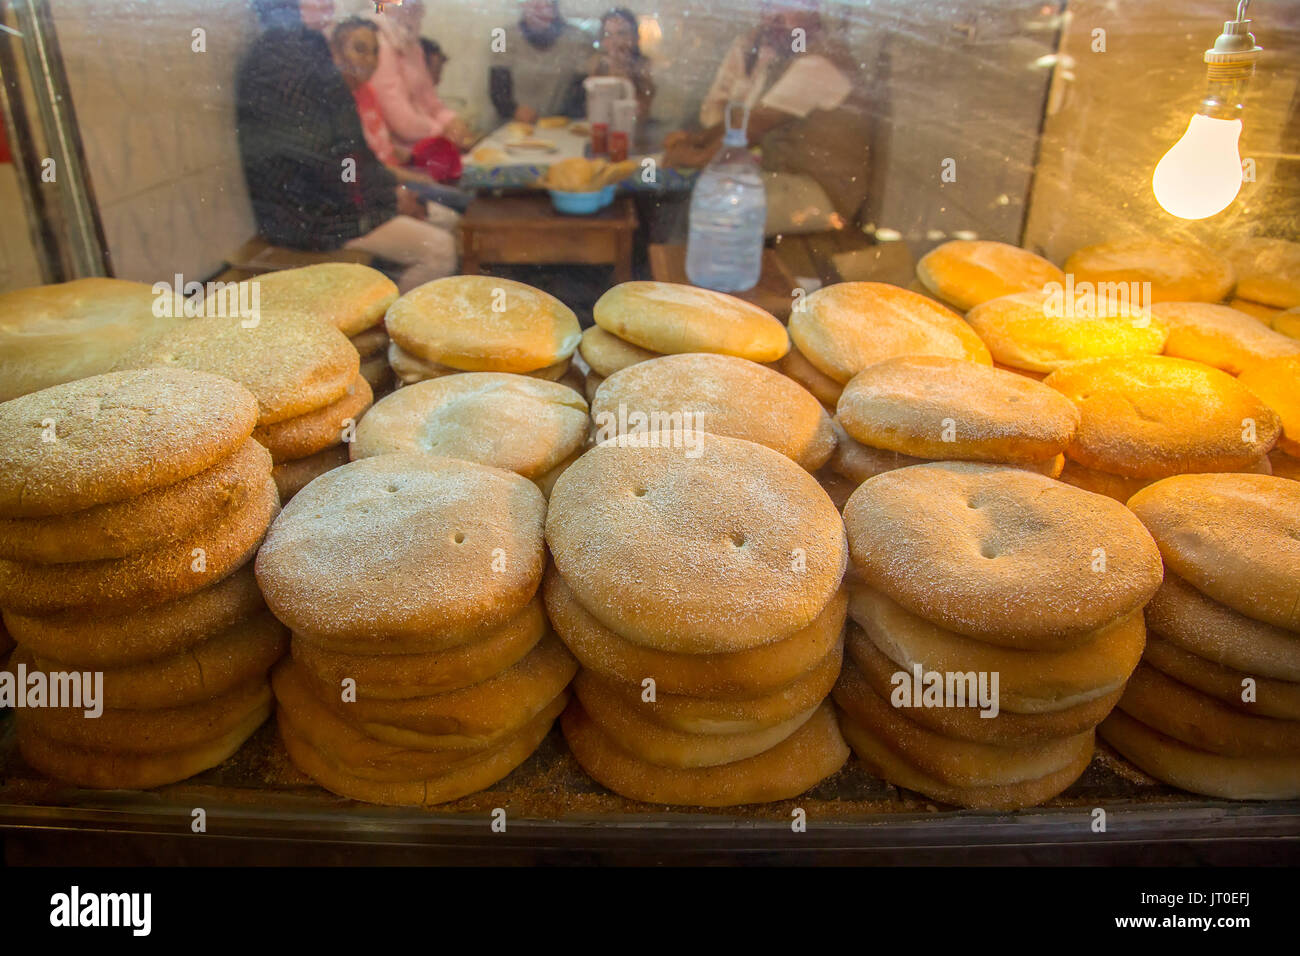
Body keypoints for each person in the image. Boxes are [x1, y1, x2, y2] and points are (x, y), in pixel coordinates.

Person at [236, 0, 455, 290]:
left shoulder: (307, 46)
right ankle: (391, 328)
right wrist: (389, 202)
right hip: (309, 222)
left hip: (335, 206)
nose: (329, 2)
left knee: (446, 217)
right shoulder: (281, 58)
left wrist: (393, 193)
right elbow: (319, 164)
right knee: (440, 249)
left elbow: (353, 154)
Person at [664, 0, 872, 225]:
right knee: (705, 193)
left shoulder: (819, 62)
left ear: (812, 10)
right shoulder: (794, 56)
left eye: (779, 10)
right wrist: (697, 140)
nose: (769, 20)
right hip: (793, 182)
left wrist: (695, 158)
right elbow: (745, 117)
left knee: (714, 205)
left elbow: (753, 127)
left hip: (825, 198)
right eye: (766, 8)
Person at [367, 0, 472, 152]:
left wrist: (451, 121)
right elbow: (402, 122)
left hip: (427, 143)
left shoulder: (410, 42)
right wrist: (443, 131)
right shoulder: (379, 41)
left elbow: (430, 100)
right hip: (398, 154)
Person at [489, 0, 590, 124]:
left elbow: (581, 94)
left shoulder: (579, 38)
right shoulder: (500, 36)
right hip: (514, 127)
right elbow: (497, 90)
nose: (538, 6)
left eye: (545, 3)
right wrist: (513, 110)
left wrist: (561, 118)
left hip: (563, 127)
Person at [586, 8, 654, 123]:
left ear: (634, 37)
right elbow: (592, 111)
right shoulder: (596, 65)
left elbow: (640, 114)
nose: (614, 41)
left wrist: (623, 71)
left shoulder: (646, 68)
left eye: (621, 34)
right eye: (608, 35)